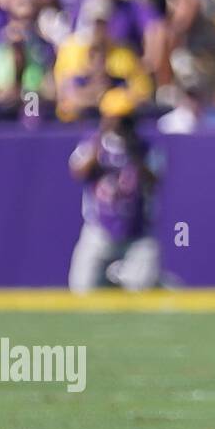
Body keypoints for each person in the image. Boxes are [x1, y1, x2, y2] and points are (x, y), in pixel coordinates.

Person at [67, 88, 162, 293]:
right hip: (98, 230)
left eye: (126, 119)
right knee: (81, 290)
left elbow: (155, 180)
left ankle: (158, 282)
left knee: (140, 291)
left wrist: (134, 153)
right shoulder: (92, 143)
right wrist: (100, 139)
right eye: (117, 119)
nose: (121, 125)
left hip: (137, 234)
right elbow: (78, 171)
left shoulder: (145, 148)